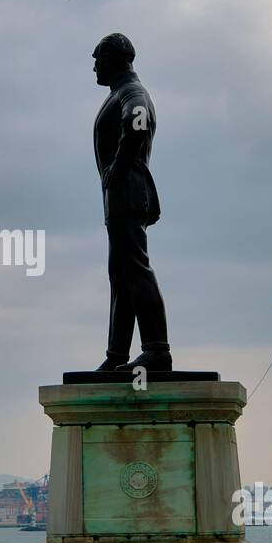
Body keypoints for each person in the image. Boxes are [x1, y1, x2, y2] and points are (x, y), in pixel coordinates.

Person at [90, 32, 171, 371]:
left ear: (114, 60)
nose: (94, 67)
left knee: (135, 271)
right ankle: (116, 356)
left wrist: (118, 166)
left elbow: (136, 125)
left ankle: (156, 350)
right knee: (121, 275)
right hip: (119, 198)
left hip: (128, 193)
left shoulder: (132, 92)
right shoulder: (120, 93)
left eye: (98, 60)